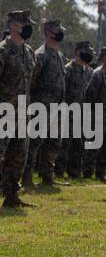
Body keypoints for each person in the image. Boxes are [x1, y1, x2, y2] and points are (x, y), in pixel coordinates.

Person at [24, 18, 67, 189]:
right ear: (49, 32)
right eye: (58, 29)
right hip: (41, 106)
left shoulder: (60, 55)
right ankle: (26, 176)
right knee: (35, 141)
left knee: (54, 142)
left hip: (57, 106)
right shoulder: (41, 55)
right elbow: (32, 81)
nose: (61, 32)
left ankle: (47, 176)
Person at [0, 10, 37, 207]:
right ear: (13, 25)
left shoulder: (29, 52)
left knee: (18, 155)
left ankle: (11, 196)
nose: (28, 27)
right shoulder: (3, 51)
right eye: (25, 24)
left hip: (23, 113)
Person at [57, 41, 94, 179]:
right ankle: (59, 171)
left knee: (78, 145)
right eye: (86, 51)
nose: (89, 54)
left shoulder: (89, 71)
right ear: (78, 52)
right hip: (68, 112)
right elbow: (63, 91)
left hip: (82, 113)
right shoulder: (69, 69)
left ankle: (74, 172)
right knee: (65, 144)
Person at [85, 46, 106, 181]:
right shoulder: (97, 74)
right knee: (94, 144)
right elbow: (90, 94)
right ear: (105, 57)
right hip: (99, 114)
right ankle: (88, 172)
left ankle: (101, 173)